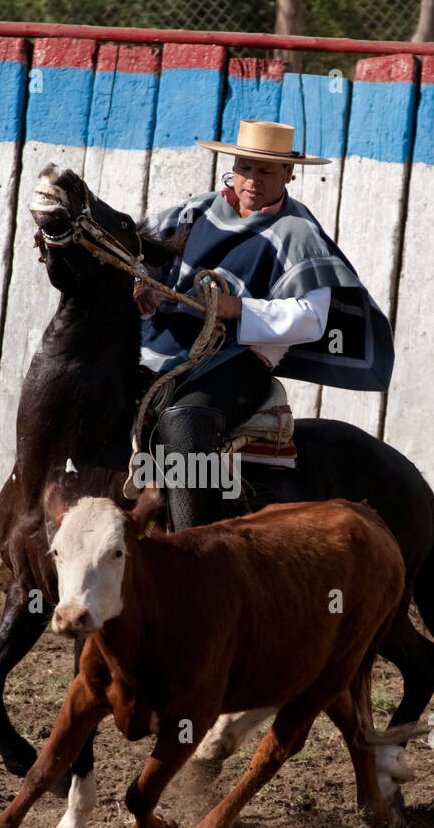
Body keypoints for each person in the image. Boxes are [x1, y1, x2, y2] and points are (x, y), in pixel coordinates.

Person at [136, 119, 394, 530]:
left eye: (266, 171)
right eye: (245, 168)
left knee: (186, 420)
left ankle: (192, 546)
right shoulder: (191, 212)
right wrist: (140, 289)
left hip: (238, 362)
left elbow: (311, 320)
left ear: (289, 174)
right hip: (158, 347)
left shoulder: (298, 232)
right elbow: (140, 258)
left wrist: (235, 308)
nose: (252, 181)